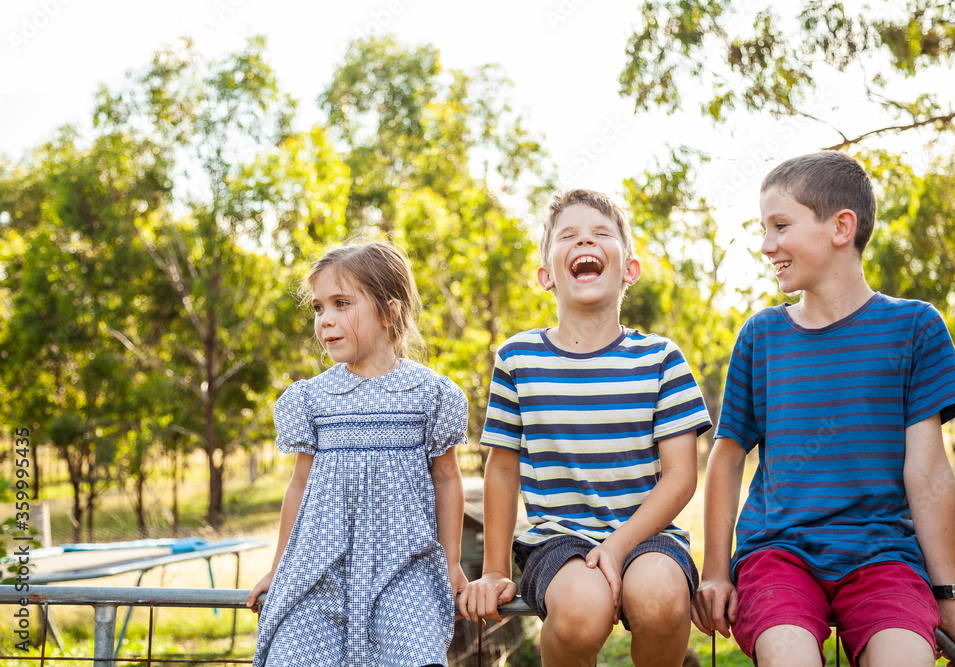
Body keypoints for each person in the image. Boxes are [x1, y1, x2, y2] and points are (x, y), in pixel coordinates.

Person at [692, 151, 955, 667]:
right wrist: (715, 570)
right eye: (764, 229)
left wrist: (949, 597)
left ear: (841, 227)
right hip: (777, 555)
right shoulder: (761, 336)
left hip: (884, 559)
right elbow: (727, 456)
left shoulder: (915, 328)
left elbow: (928, 471)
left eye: (780, 226)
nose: (767, 246)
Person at [458, 189, 713, 666]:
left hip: (648, 535)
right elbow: (503, 468)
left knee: (660, 598)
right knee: (580, 610)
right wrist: (493, 569)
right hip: (557, 537)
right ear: (546, 276)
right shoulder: (518, 359)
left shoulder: (662, 359)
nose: (584, 242)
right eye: (567, 236)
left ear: (629, 269)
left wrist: (618, 548)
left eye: (600, 234)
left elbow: (681, 476)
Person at [246, 240, 469, 667]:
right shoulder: (312, 399)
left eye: (341, 303)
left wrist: (451, 564)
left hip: (404, 569)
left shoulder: (431, 395)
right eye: (318, 308)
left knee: (415, 657)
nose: (325, 320)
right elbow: (298, 487)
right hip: (319, 571)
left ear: (390, 312)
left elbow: (447, 479)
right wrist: (280, 568)